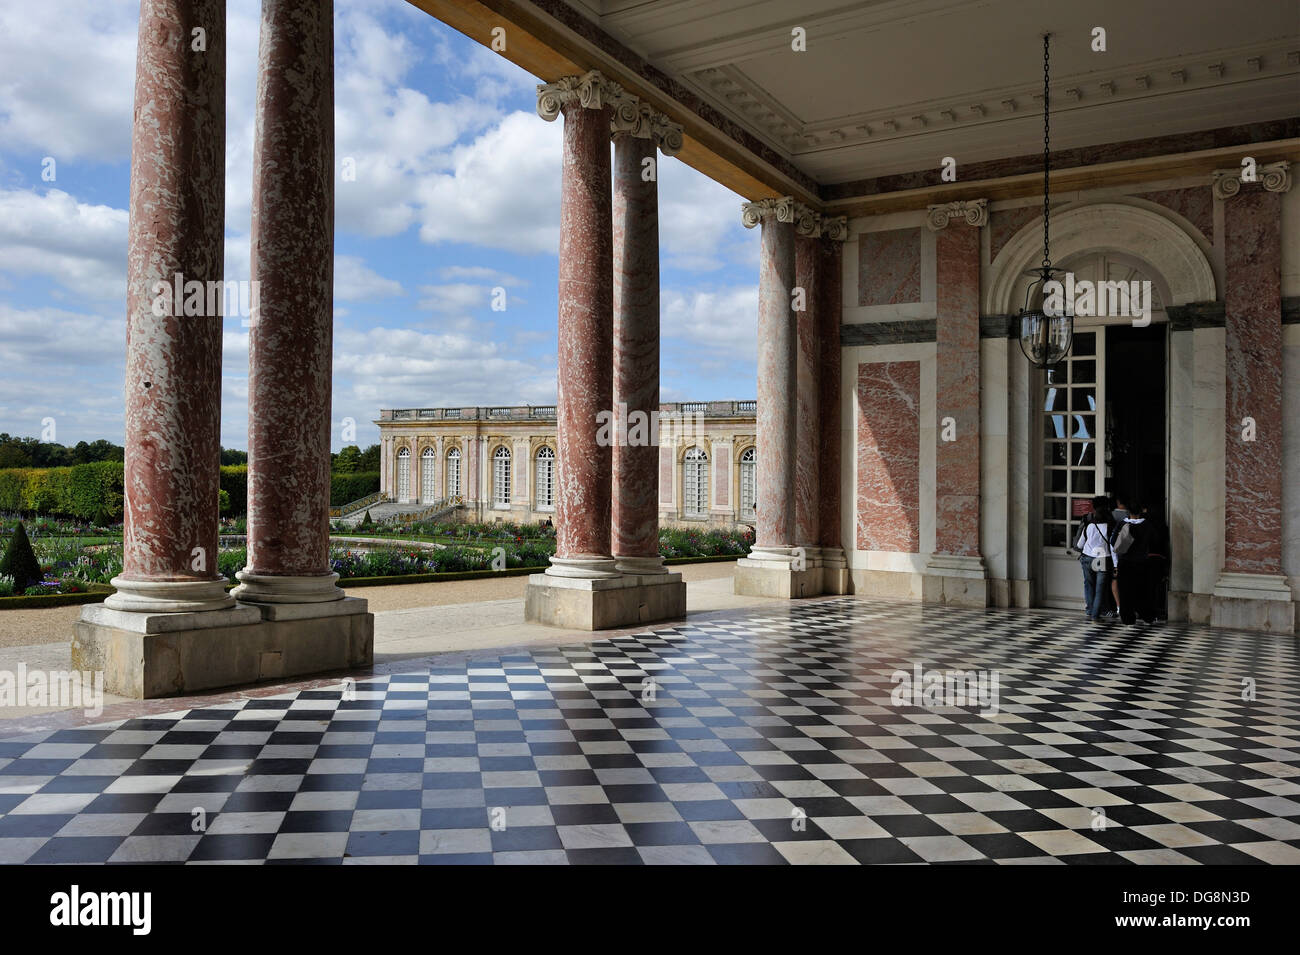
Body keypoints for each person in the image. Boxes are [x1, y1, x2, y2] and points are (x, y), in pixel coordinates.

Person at [1113, 500, 1156, 625]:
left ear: (1128, 511)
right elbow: (1154, 540)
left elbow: (1113, 542)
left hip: (1125, 562)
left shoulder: (1122, 524)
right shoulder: (1147, 525)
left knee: (1125, 591)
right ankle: (1147, 615)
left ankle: (1127, 617)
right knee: (1143, 590)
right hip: (1142, 562)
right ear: (1140, 511)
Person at [1075, 495, 1116, 622]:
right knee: (1100, 588)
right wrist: (1115, 564)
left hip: (1087, 557)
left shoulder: (1089, 525)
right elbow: (1113, 548)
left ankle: (1089, 609)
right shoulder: (1109, 527)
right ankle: (1095, 615)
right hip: (1102, 558)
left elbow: (1079, 545)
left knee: (1088, 584)